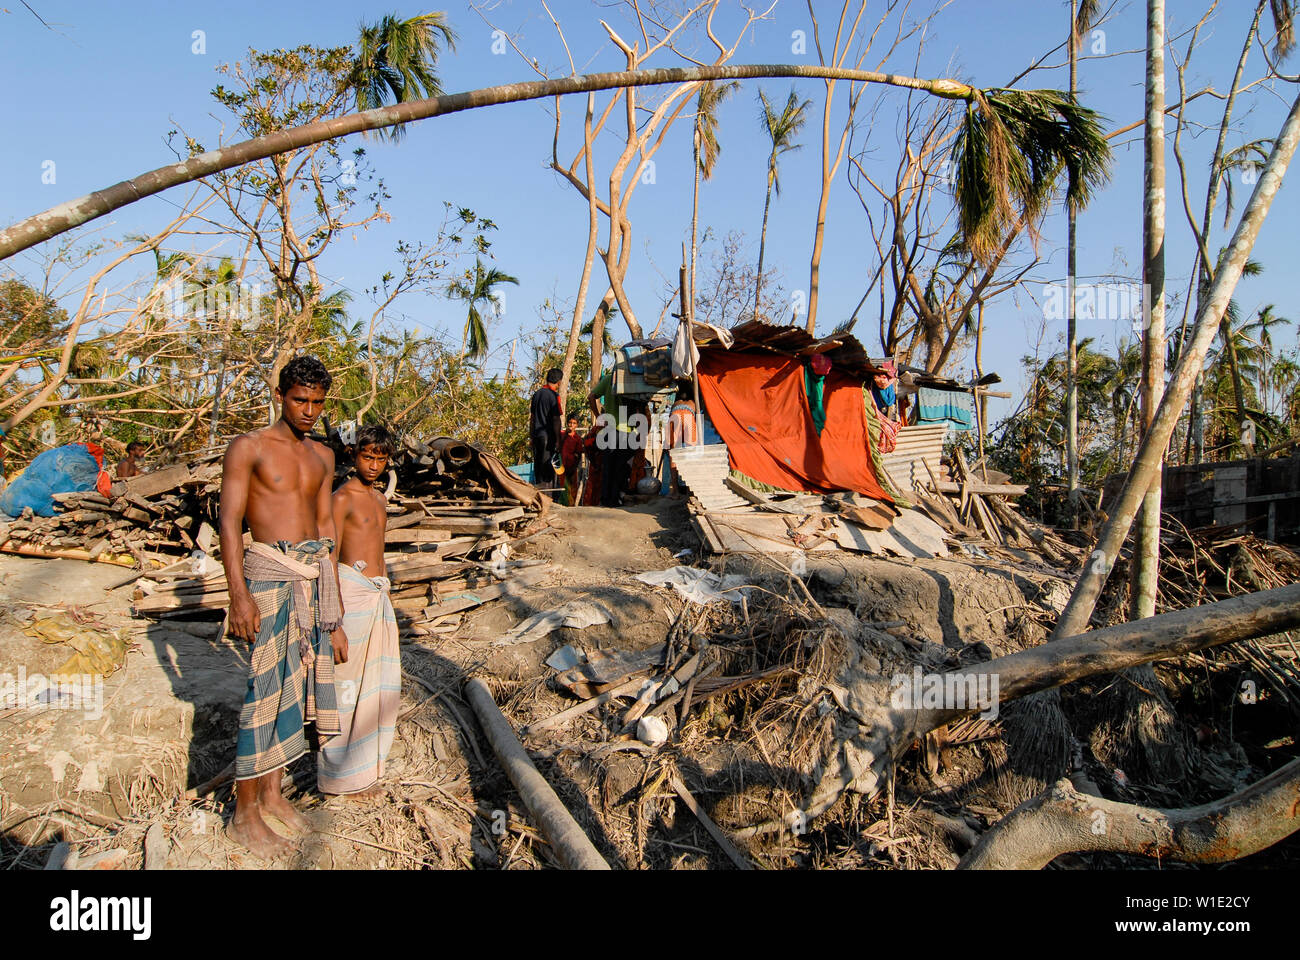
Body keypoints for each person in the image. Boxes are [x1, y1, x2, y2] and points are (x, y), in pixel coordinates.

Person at [219, 354, 347, 859]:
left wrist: (333, 616)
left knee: (295, 688)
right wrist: (238, 594)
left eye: (317, 402)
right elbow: (230, 521)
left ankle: (273, 795)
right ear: (280, 395)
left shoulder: (322, 457)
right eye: (299, 400)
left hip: (312, 581)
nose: (309, 410)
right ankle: (243, 813)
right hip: (269, 577)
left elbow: (326, 531)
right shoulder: (248, 448)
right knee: (263, 692)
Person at [318, 424, 401, 800]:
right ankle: (337, 778)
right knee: (345, 687)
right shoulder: (342, 498)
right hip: (349, 597)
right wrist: (332, 620)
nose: (374, 465)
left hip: (376, 598)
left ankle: (364, 772)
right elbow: (329, 556)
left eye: (381, 459)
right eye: (368, 457)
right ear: (354, 455)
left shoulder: (380, 498)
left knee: (374, 689)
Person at [589, 369, 636, 507]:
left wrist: (598, 416)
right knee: (620, 467)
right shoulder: (632, 379)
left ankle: (605, 499)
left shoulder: (608, 379)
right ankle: (615, 499)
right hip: (626, 431)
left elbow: (591, 397)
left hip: (610, 430)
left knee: (608, 466)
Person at [529, 368, 563, 488]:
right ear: (559, 382)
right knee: (548, 470)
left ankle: (539, 495)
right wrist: (558, 440)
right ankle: (547, 498)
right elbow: (556, 419)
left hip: (537, 436)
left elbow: (532, 418)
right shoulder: (554, 396)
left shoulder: (537, 394)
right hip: (549, 438)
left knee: (538, 468)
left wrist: (531, 437)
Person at [666, 388, 698, 496]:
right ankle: (689, 489)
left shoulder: (675, 403)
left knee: (673, 454)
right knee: (691, 454)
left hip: (675, 415)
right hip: (689, 414)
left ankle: (675, 491)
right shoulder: (693, 402)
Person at [560, 414, 584, 506]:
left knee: (572, 488)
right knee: (562, 487)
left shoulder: (577, 439)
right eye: (570, 422)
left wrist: (574, 467)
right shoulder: (561, 435)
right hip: (561, 467)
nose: (571, 425)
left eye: (574, 423)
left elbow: (578, 454)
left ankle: (571, 506)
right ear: (567, 423)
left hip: (572, 468)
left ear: (577, 425)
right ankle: (561, 504)